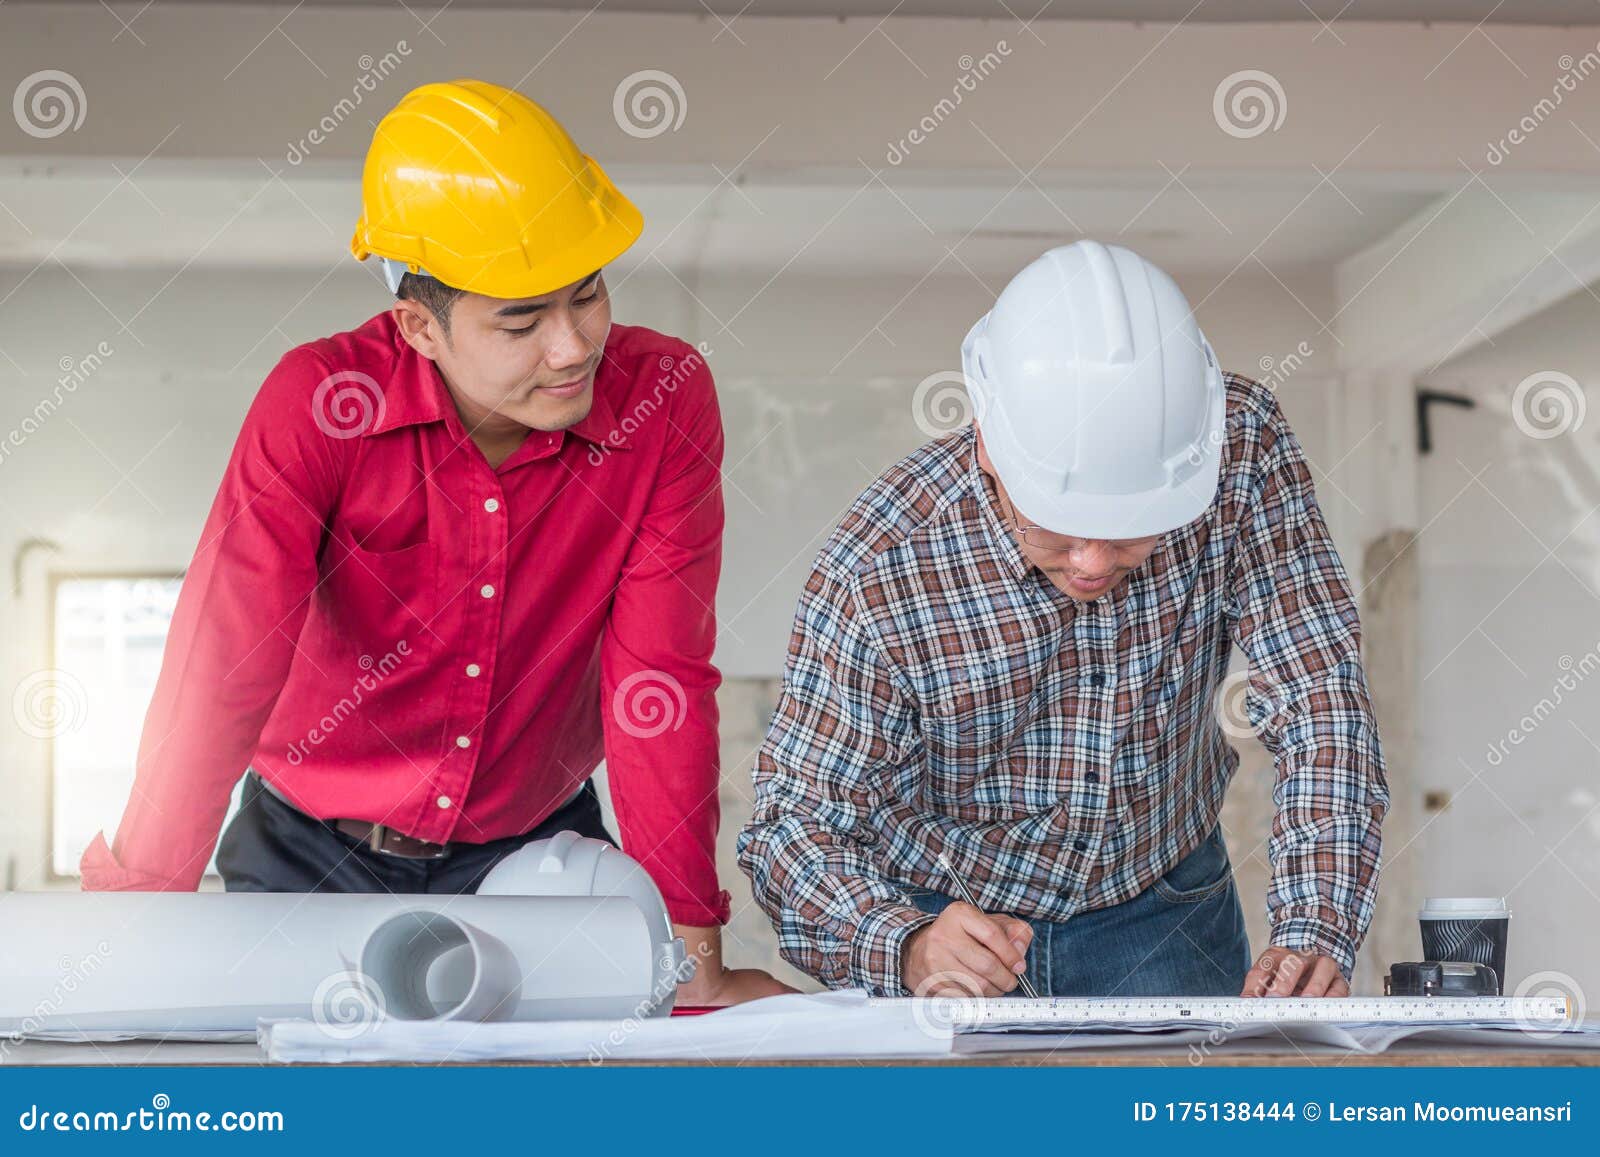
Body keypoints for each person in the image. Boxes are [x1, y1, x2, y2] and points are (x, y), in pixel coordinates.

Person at [80, 79, 786, 1006]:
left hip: (533, 856)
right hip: (306, 855)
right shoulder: (320, 408)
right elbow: (221, 666)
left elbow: (657, 677)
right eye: (521, 321)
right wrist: (136, 929)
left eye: (587, 295)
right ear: (419, 326)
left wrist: (693, 966)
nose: (573, 347)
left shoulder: (664, 400)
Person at [739, 240, 1388, 1000]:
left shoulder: (1234, 450)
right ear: (987, 444)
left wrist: (1316, 926)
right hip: (947, 923)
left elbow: (1320, 699)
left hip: (1165, 907)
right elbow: (791, 826)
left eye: (1131, 527)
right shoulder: (882, 567)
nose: (1091, 562)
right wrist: (904, 945)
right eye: (1056, 523)